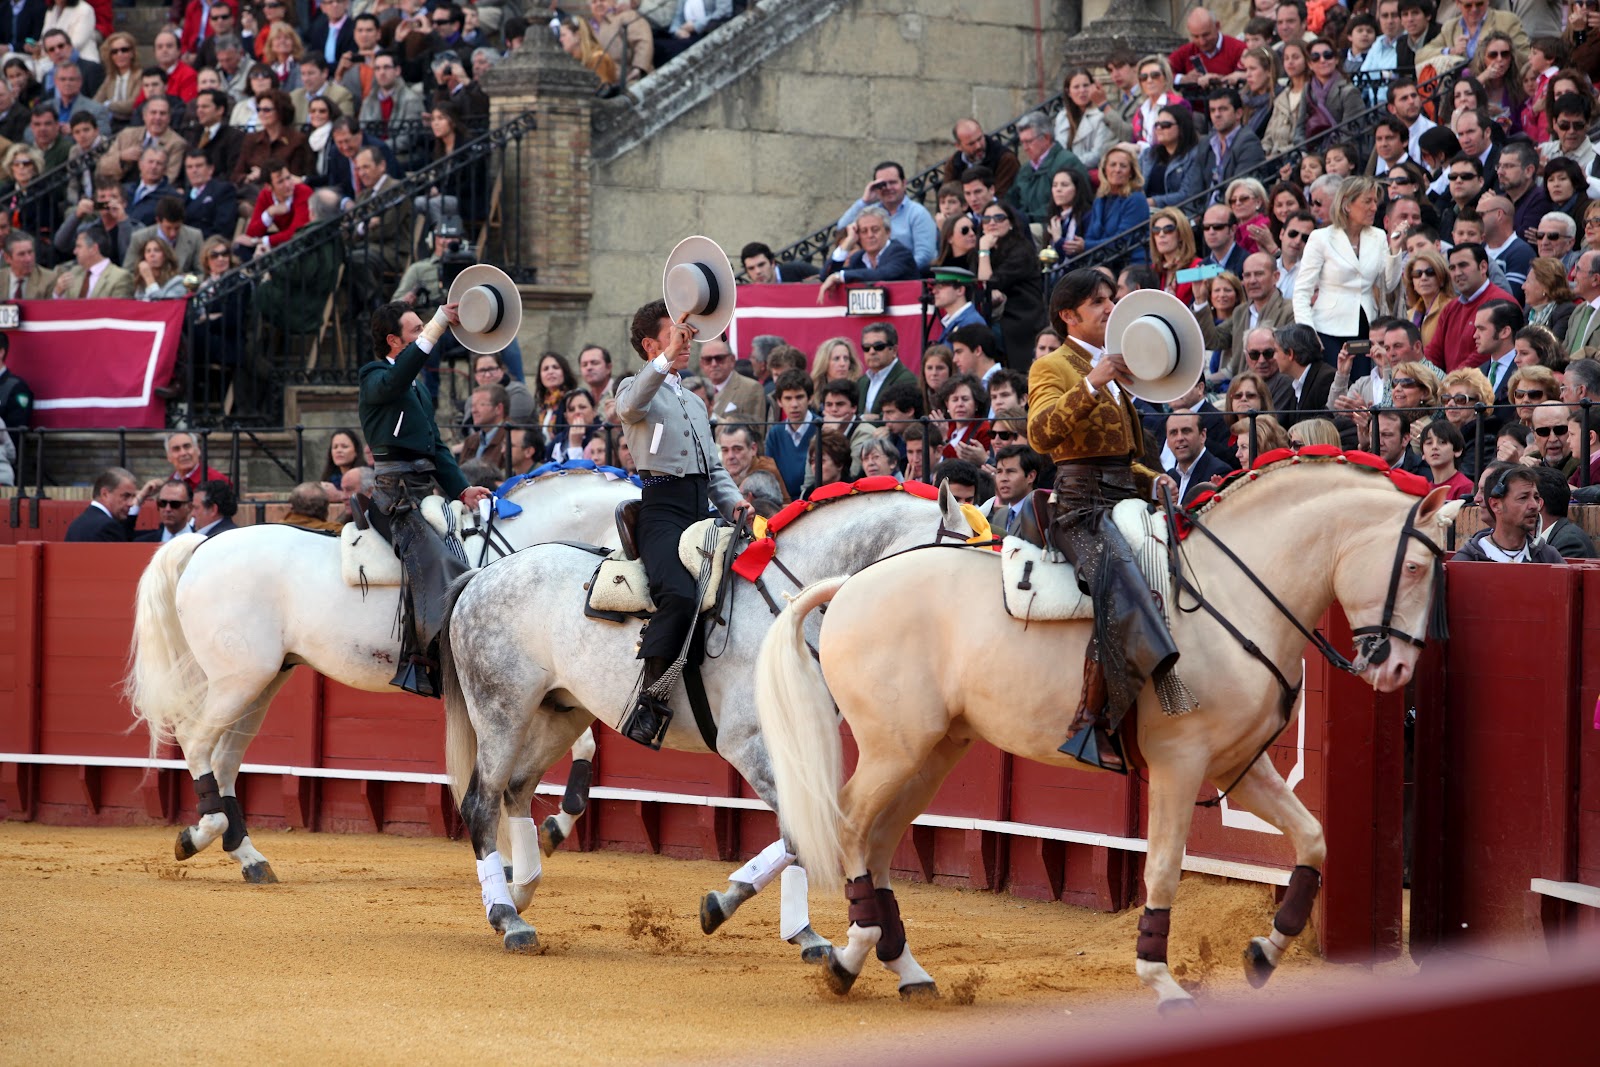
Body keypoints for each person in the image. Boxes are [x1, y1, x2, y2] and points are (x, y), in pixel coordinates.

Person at [1026, 269, 1182, 773]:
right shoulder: (1055, 366)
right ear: (1069, 316)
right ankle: (1087, 725)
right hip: (1079, 508)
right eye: (1099, 303)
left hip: (1120, 499)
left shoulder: (1115, 372)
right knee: (1118, 588)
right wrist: (1092, 384)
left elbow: (1121, 460)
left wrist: (1152, 479)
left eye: (1111, 299)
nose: (1111, 309)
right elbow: (1041, 436)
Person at [612, 299, 750, 747]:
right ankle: (649, 703)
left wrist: (735, 506)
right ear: (652, 343)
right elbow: (630, 408)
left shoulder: (692, 398)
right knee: (678, 592)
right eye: (676, 332)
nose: (686, 339)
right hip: (661, 511)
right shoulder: (634, 387)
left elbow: (714, 470)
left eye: (686, 334)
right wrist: (664, 360)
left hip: (700, 511)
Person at [359, 300, 491, 697]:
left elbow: (435, 446)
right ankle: (425, 658)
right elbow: (394, 381)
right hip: (393, 496)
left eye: (424, 327)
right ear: (393, 341)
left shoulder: (415, 387)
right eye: (416, 330)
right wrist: (437, 325)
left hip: (421, 490)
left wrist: (461, 488)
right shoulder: (375, 374)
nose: (425, 333)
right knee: (437, 558)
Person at [1295, 176, 1402, 369]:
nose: (1374, 208)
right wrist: (1308, 334)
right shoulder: (1321, 238)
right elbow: (1302, 291)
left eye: (1375, 202)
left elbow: (1388, 284)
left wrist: (1394, 250)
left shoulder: (1377, 236)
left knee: (1361, 389)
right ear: (1347, 204)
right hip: (1326, 330)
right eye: (1367, 201)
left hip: (1365, 326)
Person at [1453, 465, 1564, 562]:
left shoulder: (1548, 557)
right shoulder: (1468, 560)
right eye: (1523, 498)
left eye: (1536, 497)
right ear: (1495, 505)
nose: (1534, 505)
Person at [1083, 143, 1149, 264]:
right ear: (1104, 170)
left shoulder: (1136, 199)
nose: (1117, 170)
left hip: (1130, 263)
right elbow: (1091, 234)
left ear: (1131, 172)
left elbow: (1121, 241)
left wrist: (1085, 246)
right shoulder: (1100, 199)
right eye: (1113, 165)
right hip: (1104, 261)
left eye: (1123, 166)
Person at [64, 467, 140, 541]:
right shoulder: (107, 526)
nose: (131, 503)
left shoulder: (77, 524)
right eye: (125, 496)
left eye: (133, 497)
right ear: (105, 494)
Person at [1418, 418, 1475, 498]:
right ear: (1423, 453)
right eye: (1429, 443)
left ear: (1457, 450)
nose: (1434, 447)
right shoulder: (1424, 490)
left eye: (1442, 442)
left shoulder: (1465, 487)